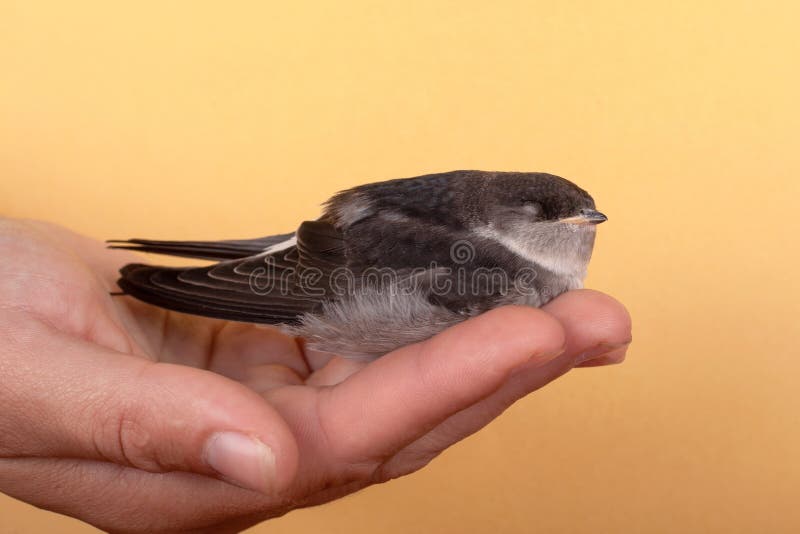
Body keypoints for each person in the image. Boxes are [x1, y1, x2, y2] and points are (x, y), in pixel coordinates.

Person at [0, 219, 631, 533]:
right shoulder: (498, 270)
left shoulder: (487, 247)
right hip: (336, 268)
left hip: (347, 245)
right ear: (508, 218)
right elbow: (354, 262)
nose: (582, 226)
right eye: (552, 215)